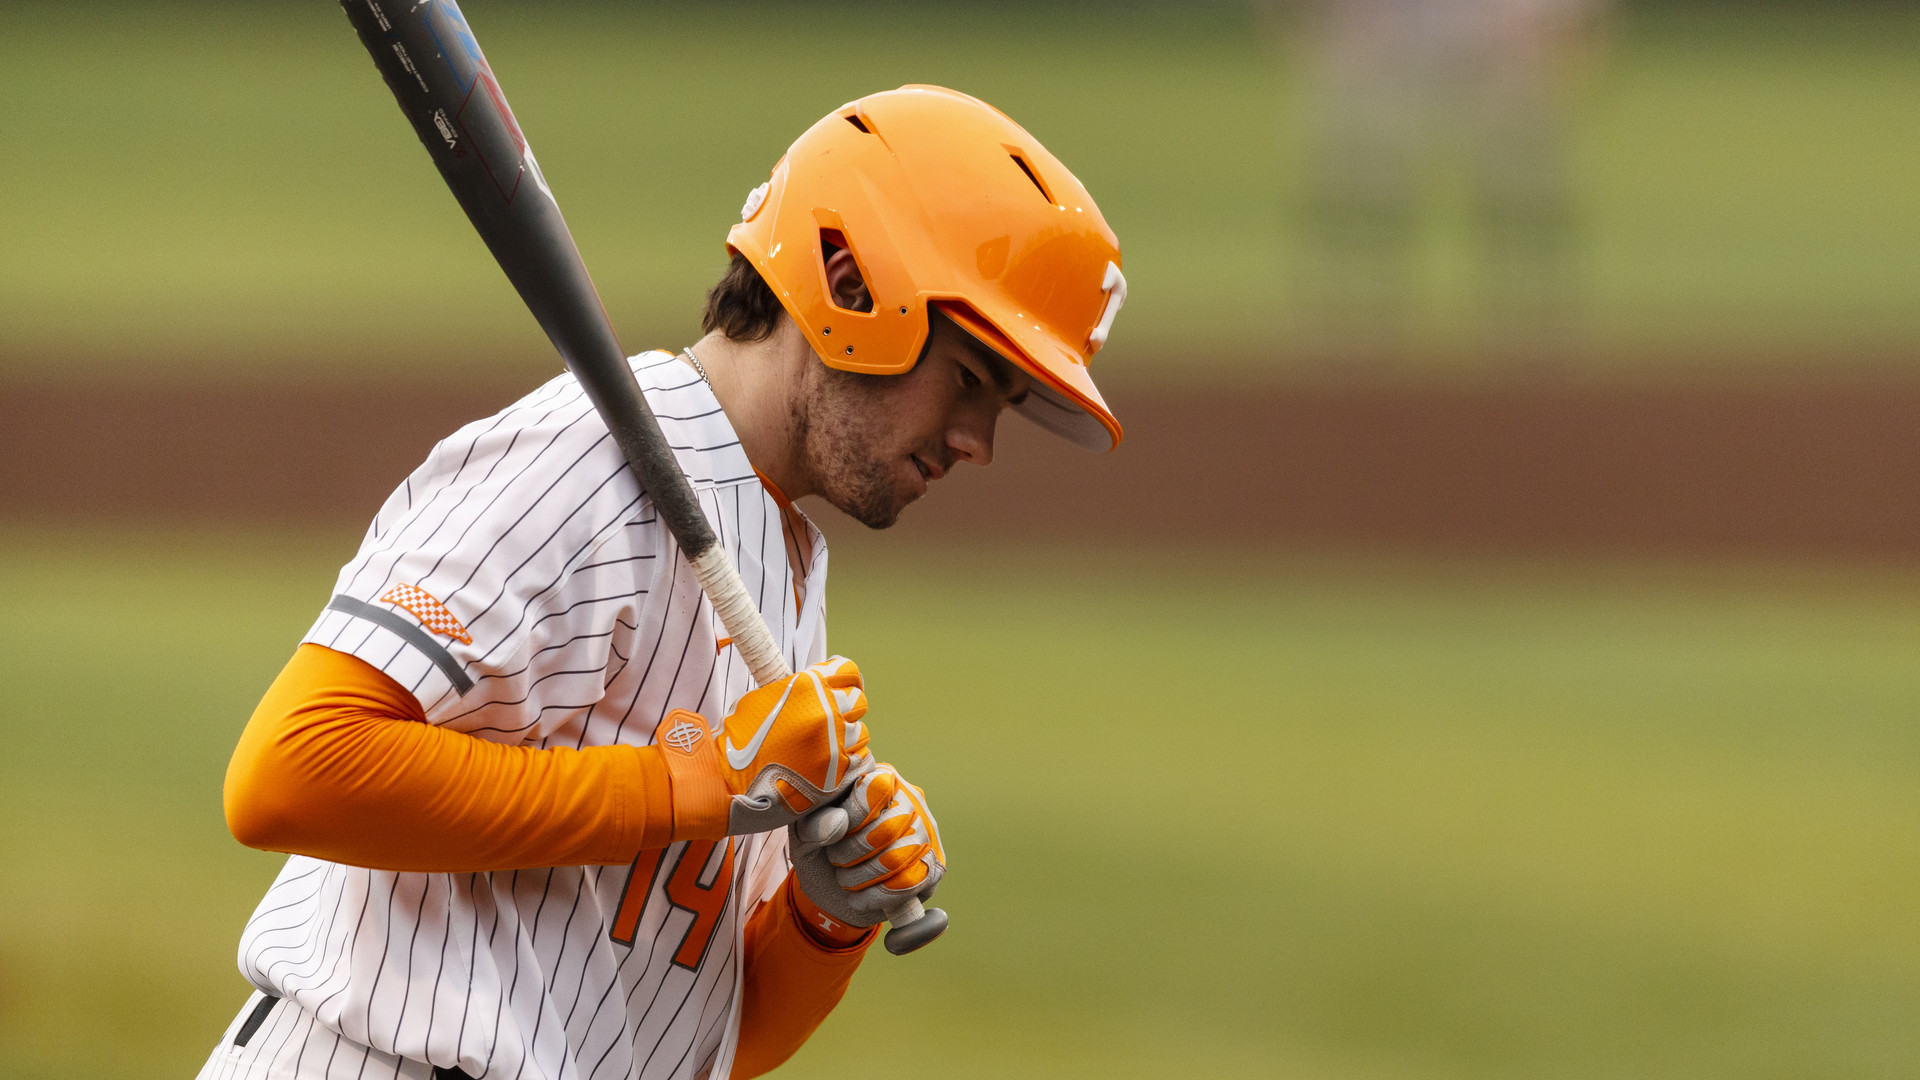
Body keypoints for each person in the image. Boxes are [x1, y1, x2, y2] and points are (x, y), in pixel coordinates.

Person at [195, 84, 1128, 1080]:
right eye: (970, 379)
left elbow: (710, 1044)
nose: (979, 442)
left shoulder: (779, 558)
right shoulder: (577, 457)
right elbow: (290, 772)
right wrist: (706, 785)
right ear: (850, 283)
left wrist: (826, 914)